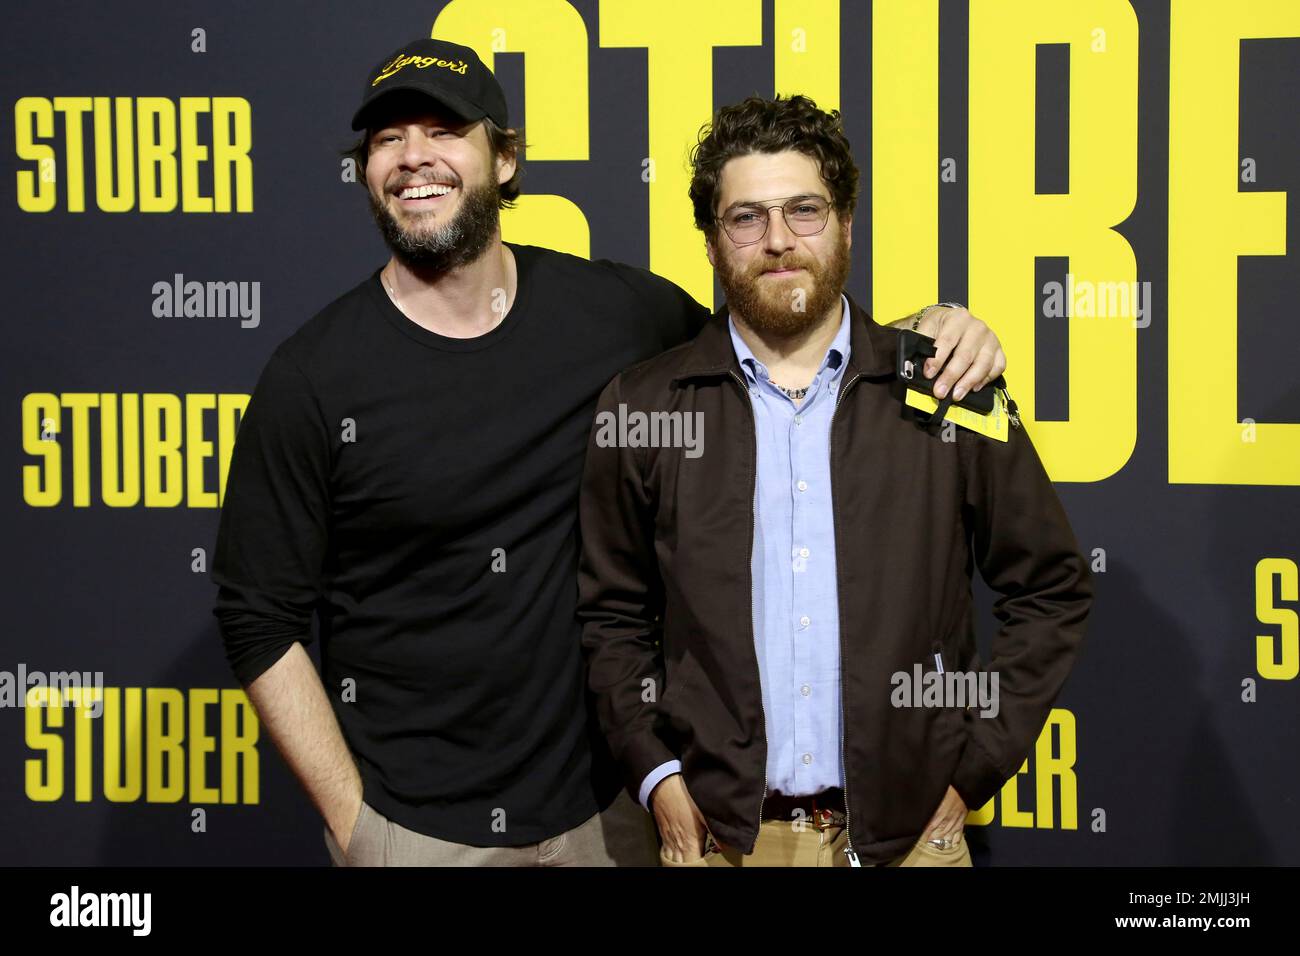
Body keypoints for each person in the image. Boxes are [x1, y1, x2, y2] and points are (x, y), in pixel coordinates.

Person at [212, 38, 1010, 867]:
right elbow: (256, 616)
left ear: (505, 160)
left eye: (444, 131)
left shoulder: (618, 315)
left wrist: (931, 328)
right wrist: (357, 826)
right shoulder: (313, 378)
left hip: (614, 815)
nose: (414, 156)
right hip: (416, 832)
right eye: (388, 138)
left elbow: (780, 336)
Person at [577, 93, 1092, 867]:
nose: (778, 239)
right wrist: (658, 779)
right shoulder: (645, 405)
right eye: (746, 217)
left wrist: (970, 772)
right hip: (720, 842)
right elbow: (612, 615)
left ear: (846, 223)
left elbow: (1051, 589)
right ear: (712, 244)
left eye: (805, 210)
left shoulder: (947, 385)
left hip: (911, 840)